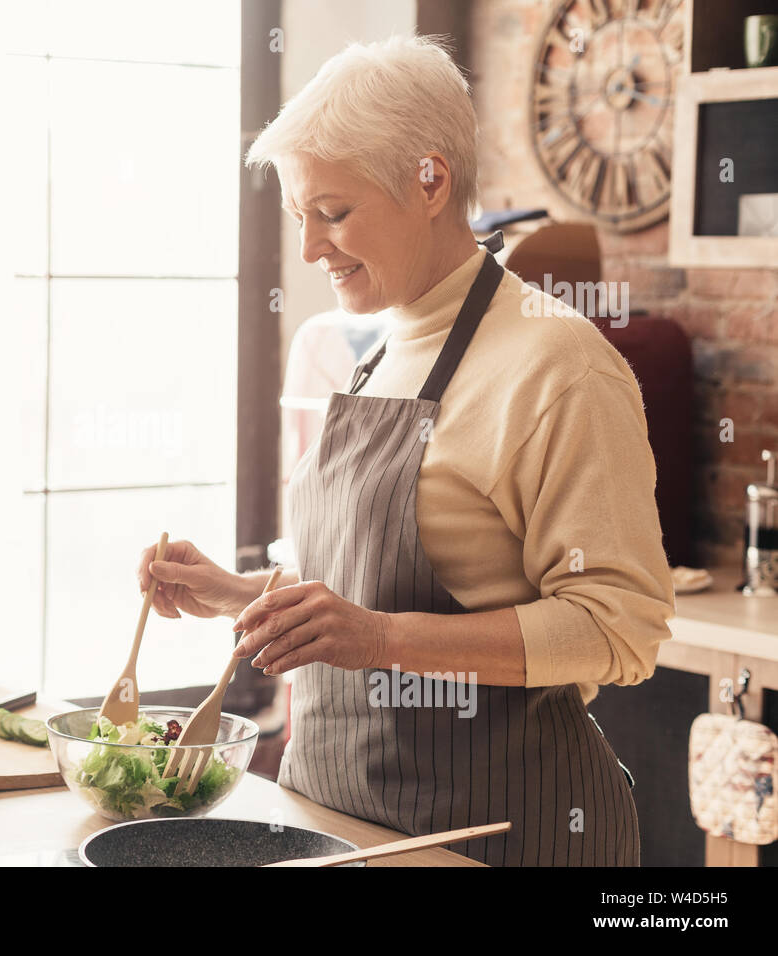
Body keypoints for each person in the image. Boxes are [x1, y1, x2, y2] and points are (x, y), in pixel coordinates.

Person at [135, 35, 674, 866]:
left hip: (503, 836)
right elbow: (373, 592)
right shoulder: (381, 346)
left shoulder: (557, 365)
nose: (311, 249)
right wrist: (235, 593)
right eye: (299, 217)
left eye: (334, 212)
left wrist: (384, 642)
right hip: (342, 830)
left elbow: (620, 628)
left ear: (431, 182)